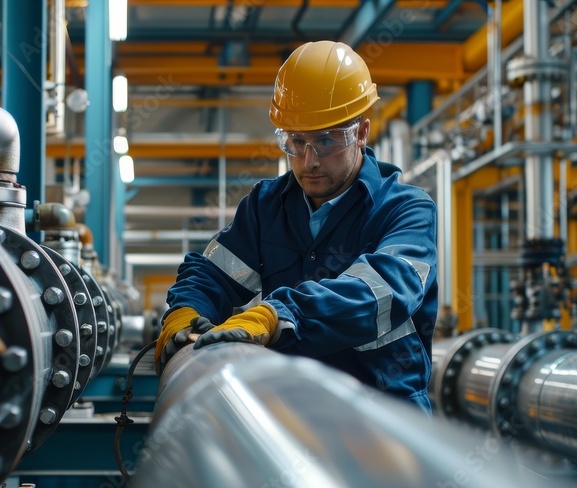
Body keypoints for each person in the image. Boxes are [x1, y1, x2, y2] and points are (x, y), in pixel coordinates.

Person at [154, 40, 438, 416]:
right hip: (292, 417)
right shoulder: (265, 206)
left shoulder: (407, 210)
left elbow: (381, 293)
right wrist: (186, 311)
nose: (309, 161)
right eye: (296, 142)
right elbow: (212, 273)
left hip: (385, 418)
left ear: (362, 132)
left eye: (326, 141)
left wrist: (279, 316)